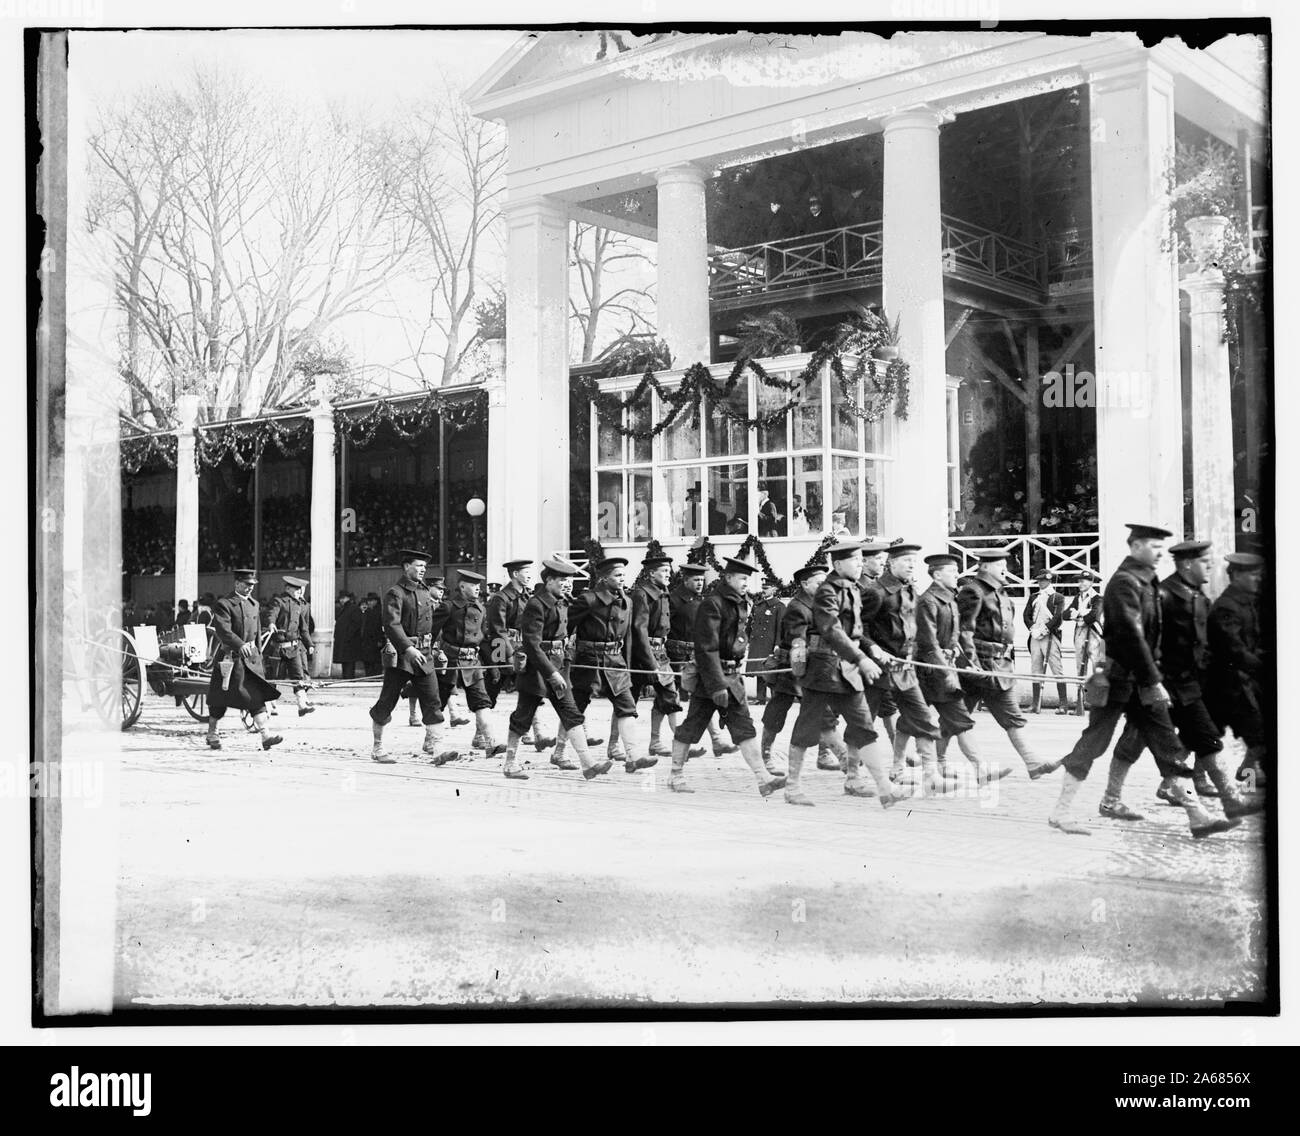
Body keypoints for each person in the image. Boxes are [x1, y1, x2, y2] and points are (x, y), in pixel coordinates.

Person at [1048, 524, 1238, 839]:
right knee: (1093, 743)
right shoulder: (1125, 583)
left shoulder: (1146, 582)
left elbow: (1152, 638)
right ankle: (1061, 812)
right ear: (1135, 547)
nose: (1160, 552)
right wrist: (1154, 679)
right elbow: (1130, 634)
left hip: (1141, 683)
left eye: (1162, 547)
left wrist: (1154, 677)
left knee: (1168, 746)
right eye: (1153, 546)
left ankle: (1197, 814)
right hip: (1119, 680)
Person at [1109, 541, 1263, 821]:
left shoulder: (1198, 596)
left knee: (1207, 740)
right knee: (1133, 743)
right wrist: (1151, 680)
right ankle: (1112, 798)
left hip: (1188, 686)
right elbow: (1143, 639)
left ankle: (1230, 800)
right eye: (1206, 562)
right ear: (1188, 564)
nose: (1212, 567)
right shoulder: (1163, 595)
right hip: (1159, 685)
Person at [780, 542, 907, 808]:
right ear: (838, 565)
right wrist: (861, 658)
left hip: (846, 671)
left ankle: (884, 786)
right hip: (822, 670)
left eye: (862, 559)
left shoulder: (852, 589)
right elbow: (832, 630)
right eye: (855, 560)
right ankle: (792, 787)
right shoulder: (828, 591)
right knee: (807, 727)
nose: (861, 563)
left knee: (864, 728)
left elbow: (857, 633)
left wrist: (871, 650)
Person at [667, 558, 788, 797]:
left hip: (732, 677)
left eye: (747, 579)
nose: (746, 583)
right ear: (729, 578)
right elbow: (706, 648)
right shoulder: (713, 604)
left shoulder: (737, 602)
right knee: (692, 727)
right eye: (742, 578)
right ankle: (675, 775)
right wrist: (716, 686)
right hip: (710, 679)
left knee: (744, 727)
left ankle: (763, 778)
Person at [956, 549, 1061, 779]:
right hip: (979, 666)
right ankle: (935, 764)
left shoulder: (1001, 593)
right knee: (956, 716)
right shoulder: (973, 592)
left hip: (999, 665)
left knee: (963, 716)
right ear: (984, 567)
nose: (1005, 568)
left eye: (1005, 563)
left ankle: (1032, 762)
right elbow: (964, 630)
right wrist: (972, 663)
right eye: (999, 565)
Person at [860, 541, 954, 796]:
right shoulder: (875, 592)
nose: (911, 565)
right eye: (905, 561)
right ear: (891, 563)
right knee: (862, 722)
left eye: (914, 561)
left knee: (922, 718)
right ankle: (852, 775)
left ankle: (930, 776)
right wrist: (873, 650)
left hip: (906, 668)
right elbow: (859, 629)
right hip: (879, 670)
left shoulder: (911, 589)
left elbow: (915, 630)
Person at [504, 558, 612, 781]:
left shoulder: (562, 602)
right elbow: (532, 645)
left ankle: (588, 764)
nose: (567, 584)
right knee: (523, 717)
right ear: (549, 580)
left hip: (558, 666)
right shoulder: (536, 605)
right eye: (562, 579)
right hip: (537, 671)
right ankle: (510, 763)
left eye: (570, 579)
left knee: (572, 713)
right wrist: (551, 673)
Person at [915, 553, 1012, 784]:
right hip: (929, 672)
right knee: (913, 721)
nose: (957, 574)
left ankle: (979, 770)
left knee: (959, 720)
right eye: (951, 571)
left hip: (944, 669)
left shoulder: (950, 598)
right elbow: (929, 643)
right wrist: (946, 670)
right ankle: (901, 767)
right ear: (937, 575)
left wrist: (967, 662)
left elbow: (957, 636)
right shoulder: (928, 601)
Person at [757, 564, 847, 778]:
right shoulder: (797, 607)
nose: (825, 586)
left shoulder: (822, 604)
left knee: (824, 711)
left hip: (815, 667)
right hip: (792, 668)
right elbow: (798, 641)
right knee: (777, 712)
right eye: (819, 582)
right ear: (805, 584)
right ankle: (766, 755)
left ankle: (825, 754)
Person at [567, 557, 656, 772]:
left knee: (627, 707)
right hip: (589, 662)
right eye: (617, 575)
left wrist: (628, 664)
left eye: (624, 575)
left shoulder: (627, 601)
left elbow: (629, 637)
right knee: (575, 709)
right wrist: (567, 658)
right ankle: (560, 751)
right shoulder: (587, 600)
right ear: (604, 579)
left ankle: (633, 757)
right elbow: (566, 626)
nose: (622, 579)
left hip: (616, 662)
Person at [367, 550, 451, 765]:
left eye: (424, 566)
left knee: (433, 700)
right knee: (387, 701)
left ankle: (438, 749)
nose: (423, 569)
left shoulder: (424, 592)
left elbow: (432, 626)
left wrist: (437, 649)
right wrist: (407, 648)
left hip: (424, 656)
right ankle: (378, 748)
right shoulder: (396, 593)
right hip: (403, 657)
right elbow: (391, 625)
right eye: (418, 565)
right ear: (406, 567)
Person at [630, 554, 702, 759]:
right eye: (664, 571)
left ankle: (677, 743)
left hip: (660, 653)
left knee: (670, 695)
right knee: (627, 702)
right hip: (642, 654)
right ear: (651, 574)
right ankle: (615, 746)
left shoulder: (663, 593)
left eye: (669, 571)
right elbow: (639, 630)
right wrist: (650, 662)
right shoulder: (642, 594)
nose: (669, 575)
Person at [1207, 551, 1268, 788]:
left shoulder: (1246, 604)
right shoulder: (1227, 607)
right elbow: (1235, 650)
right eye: (1253, 576)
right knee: (1208, 735)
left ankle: (1248, 769)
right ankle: (1175, 778)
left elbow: (1255, 642)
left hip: (1242, 680)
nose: (1258, 580)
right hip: (1227, 684)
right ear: (1237, 576)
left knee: (1214, 733)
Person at [204, 569, 282, 752]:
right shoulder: (224, 604)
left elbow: (257, 634)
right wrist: (240, 645)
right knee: (219, 700)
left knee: (255, 697)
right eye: (247, 585)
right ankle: (212, 733)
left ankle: (265, 735)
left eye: (252, 585)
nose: (250, 588)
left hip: (252, 660)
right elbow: (223, 630)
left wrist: (259, 654)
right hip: (230, 660)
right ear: (237, 583)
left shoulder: (254, 604)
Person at [483, 559, 554, 752]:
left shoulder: (527, 597)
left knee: (532, 688)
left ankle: (537, 733)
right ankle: (481, 734)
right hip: (503, 648)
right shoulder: (501, 598)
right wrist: (507, 656)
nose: (530, 575)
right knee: (492, 689)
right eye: (526, 572)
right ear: (515, 574)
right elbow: (497, 630)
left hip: (523, 649)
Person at [667, 563, 738, 756]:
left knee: (701, 698)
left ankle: (715, 740)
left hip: (697, 655)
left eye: (702, 580)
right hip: (677, 655)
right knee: (669, 698)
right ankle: (661, 741)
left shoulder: (703, 601)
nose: (700, 583)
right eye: (696, 580)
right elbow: (662, 627)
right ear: (685, 580)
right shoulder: (673, 600)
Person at [435, 568, 503, 756]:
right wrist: (432, 656)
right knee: (438, 702)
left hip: (472, 661)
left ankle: (491, 742)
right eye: (473, 585)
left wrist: (494, 665)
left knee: (482, 701)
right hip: (449, 661)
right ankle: (431, 743)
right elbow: (431, 632)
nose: (477, 589)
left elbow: (485, 640)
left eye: (478, 585)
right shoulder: (448, 607)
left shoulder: (481, 608)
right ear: (462, 586)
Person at [269, 575, 316, 716]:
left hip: (294, 647)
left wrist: (309, 644)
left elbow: (304, 628)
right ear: (288, 588)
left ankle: (302, 705)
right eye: (296, 589)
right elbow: (272, 614)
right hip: (279, 648)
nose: (299, 592)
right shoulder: (279, 601)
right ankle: (271, 705)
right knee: (275, 677)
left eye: (299, 589)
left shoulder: (300, 605)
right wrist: (271, 623)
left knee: (298, 676)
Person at [1024, 570, 1069, 713]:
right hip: (1035, 636)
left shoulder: (1057, 597)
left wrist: (1044, 630)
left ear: (1049, 581)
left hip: (1049, 636)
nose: (1041, 583)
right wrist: (1032, 628)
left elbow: (1058, 618)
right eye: (1039, 580)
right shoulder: (1034, 597)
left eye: (1043, 580)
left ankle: (1063, 704)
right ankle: (1035, 705)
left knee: (1057, 669)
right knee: (1035, 669)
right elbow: (1026, 615)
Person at [1066, 570, 1104, 714]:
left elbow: (1093, 616)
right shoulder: (1077, 598)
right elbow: (1065, 614)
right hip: (1080, 637)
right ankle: (1080, 703)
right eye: (1079, 581)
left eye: (1084, 581)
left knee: (1099, 671)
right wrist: (1077, 615)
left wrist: (1079, 613)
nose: (1080, 583)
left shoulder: (1098, 598)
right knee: (1080, 671)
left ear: (1091, 582)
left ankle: (1101, 705)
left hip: (1099, 640)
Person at [747, 581, 784, 707]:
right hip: (758, 642)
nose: (764, 590)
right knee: (759, 669)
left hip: (770, 642)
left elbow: (780, 627)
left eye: (767, 588)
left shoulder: (779, 606)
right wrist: (747, 639)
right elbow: (750, 624)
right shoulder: (758, 605)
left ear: (774, 589)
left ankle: (775, 698)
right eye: (763, 588)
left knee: (772, 670)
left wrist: (778, 644)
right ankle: (760, 698)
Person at [333, 591, 364, 681]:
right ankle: (346, 679)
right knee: (345, 663)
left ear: (348, 598)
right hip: (345, 641)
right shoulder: (344, 609)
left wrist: (348, 636)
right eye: (341, 598)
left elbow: (356, 624)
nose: (341, 600)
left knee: (349, 664)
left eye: (343, 598)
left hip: (350, 642)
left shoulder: (353, 608)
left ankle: (348, 680)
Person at [360, 593, 384, 677]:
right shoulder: (368, 612)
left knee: (375, 660)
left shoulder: (379, 612)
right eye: (368, 601)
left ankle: (375, 675)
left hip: (375, 640)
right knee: (368, 660)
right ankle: (369, 675)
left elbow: (380, 628)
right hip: (367, 640)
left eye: (371, 601)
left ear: (376, 601)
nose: (369, 603)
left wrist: (380, 640)